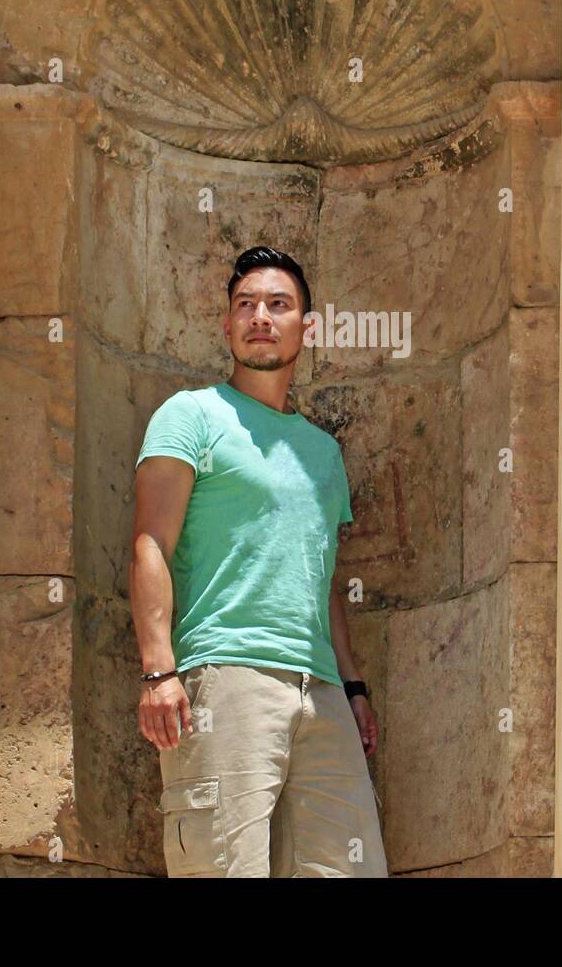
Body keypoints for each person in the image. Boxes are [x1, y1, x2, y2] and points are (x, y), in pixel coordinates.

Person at [130, 245, 389, 878]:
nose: (261, 317)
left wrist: (352, 686)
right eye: (246, 305)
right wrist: (158, 672)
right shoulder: (193, 413)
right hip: (226, 676)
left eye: (279, 305)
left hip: (321, 692)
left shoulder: (322, 452)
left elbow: (320, 577)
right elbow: (149, 545)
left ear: (308, 326)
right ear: (227, 325)